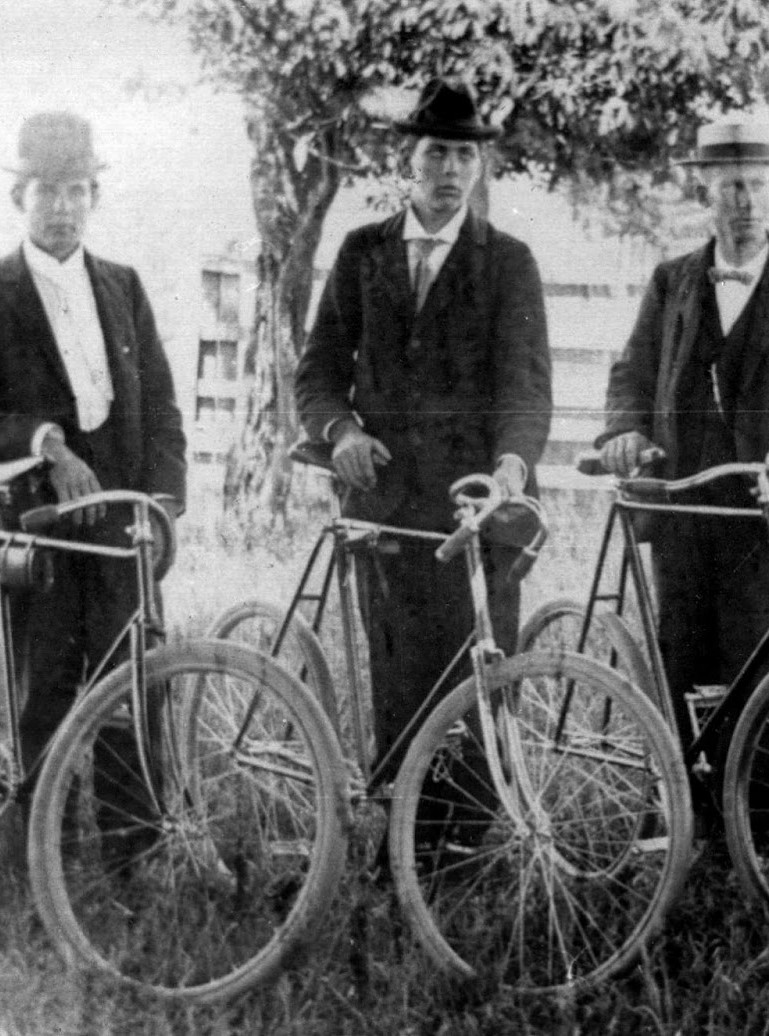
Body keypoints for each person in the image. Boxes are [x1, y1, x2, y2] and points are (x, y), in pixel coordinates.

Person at [596, 117, 769, 850]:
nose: (745, 200)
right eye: (731, 185)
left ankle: (760, 839)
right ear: (706, 191)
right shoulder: (672, 280)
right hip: (682, 510)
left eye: (758, 185)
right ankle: (680, 826)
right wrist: (624, 431)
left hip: (766, 520)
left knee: (766, 680)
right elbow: (632, 375)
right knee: (679, 667)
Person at [0, 111, 187, 844]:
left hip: (121, 524)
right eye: (46, 190)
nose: (62, 207)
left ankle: (128, 854)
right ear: (20, 197)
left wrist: (163, 504)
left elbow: (164, 410)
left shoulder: (123, 286)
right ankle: (36, 855)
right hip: (36, 525)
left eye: (77, 190)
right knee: (42, 690)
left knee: (132, 685)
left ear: (94, 197)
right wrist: (45, 441)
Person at [293, 79, 552, 771]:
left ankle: (471, 848)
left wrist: (512, 468)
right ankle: (401, 839)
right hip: (388, 508)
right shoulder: (361, 254)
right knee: (399, 682)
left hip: (477, 511)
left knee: (479, 683)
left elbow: (526, 391)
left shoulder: (508, 263)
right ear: (410, 159)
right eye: (437, 153)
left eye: (465, 157)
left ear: (479, 167)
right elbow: (316, 375)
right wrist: (341, 434)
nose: (450, 171)